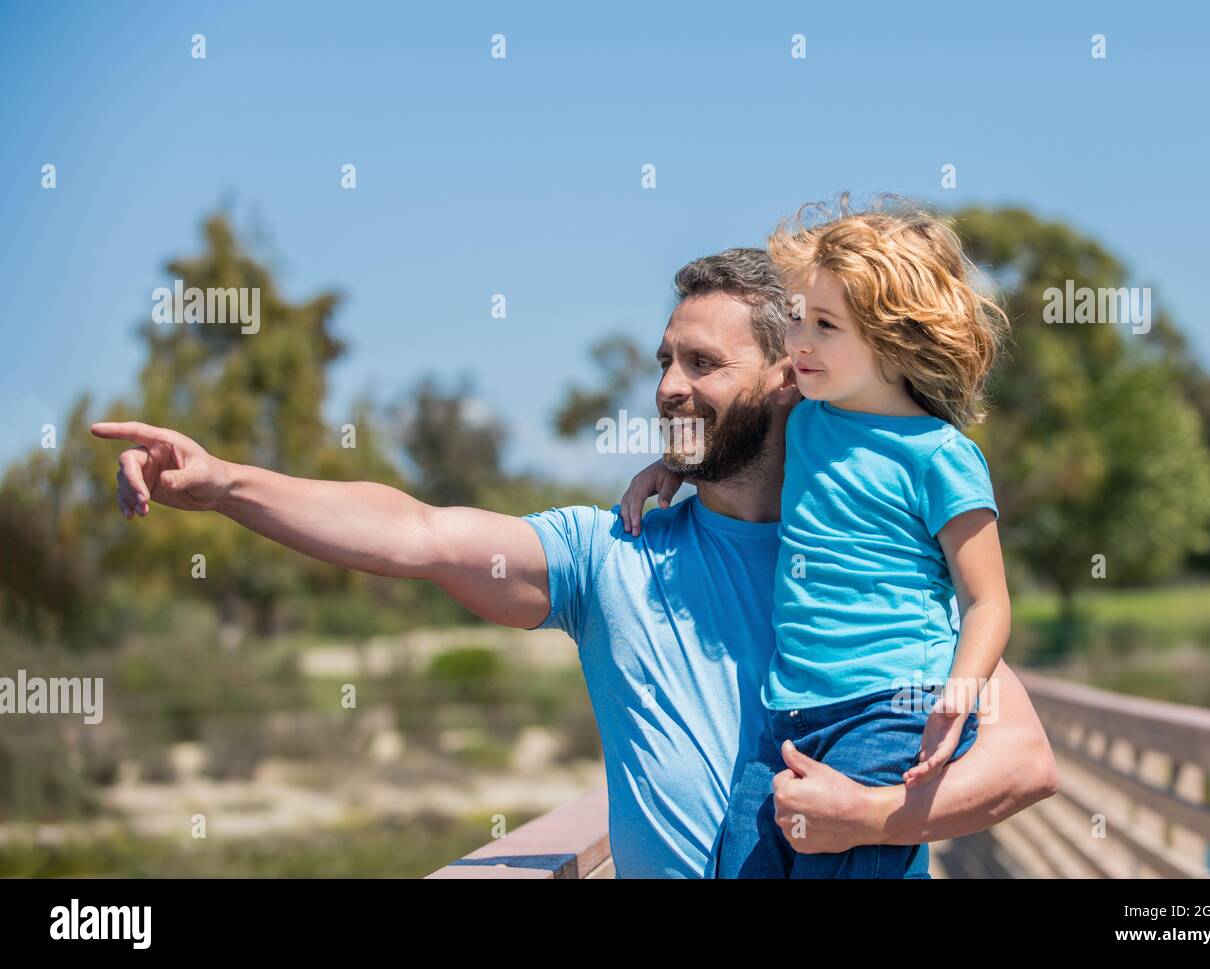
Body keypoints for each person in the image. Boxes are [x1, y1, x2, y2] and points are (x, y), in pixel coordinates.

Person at [92, 245, 1057, 879]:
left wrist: (868, 815)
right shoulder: (613, 550)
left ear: (792, 377)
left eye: (703, 366)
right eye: (663, 361)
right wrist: (226, 487)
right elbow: (418, 533)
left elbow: (1023, 761)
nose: (667, 387)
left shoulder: (873, 567)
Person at [621, 197, 1013, 877]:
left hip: (891, 707)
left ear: (894, 340)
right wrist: (672, 463)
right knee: (740, 859)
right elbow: (729, 431)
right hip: (793, 710)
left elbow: (989, 601)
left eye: (825, 326)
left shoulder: (939, 456)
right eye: (799, 320)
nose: (799, 343)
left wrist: (959, 693)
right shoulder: (807, 419)